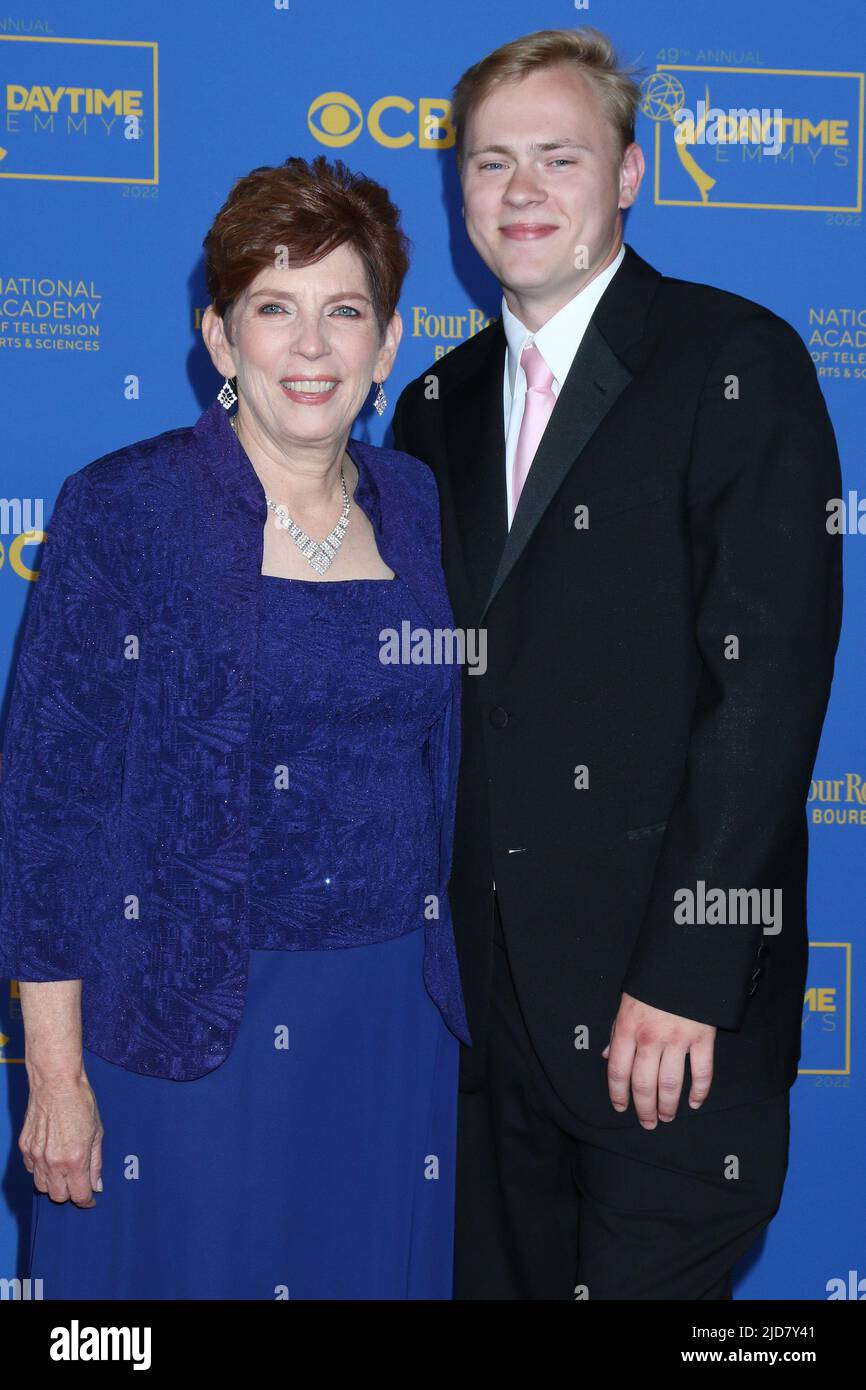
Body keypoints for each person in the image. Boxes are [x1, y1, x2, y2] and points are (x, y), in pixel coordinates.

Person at [392, 26, 843, 1300]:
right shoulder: (432, 404)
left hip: (664, 1020)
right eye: (490, 162)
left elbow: (766, 688)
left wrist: (686, 973)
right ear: (458, 188)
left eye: (557, 157)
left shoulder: (732, 362)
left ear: (630, 173)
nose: (521, 191)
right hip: (481, 1031)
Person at [0, 153, 470, 1300]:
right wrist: (54, 1077)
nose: (310, 348)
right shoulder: (125, 506)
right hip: (179, 1014)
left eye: (342, 312)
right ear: (220, 340)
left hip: (386, 1014)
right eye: (275, 309)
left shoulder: (412, 500)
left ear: (387, 342)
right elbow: (44, 806)